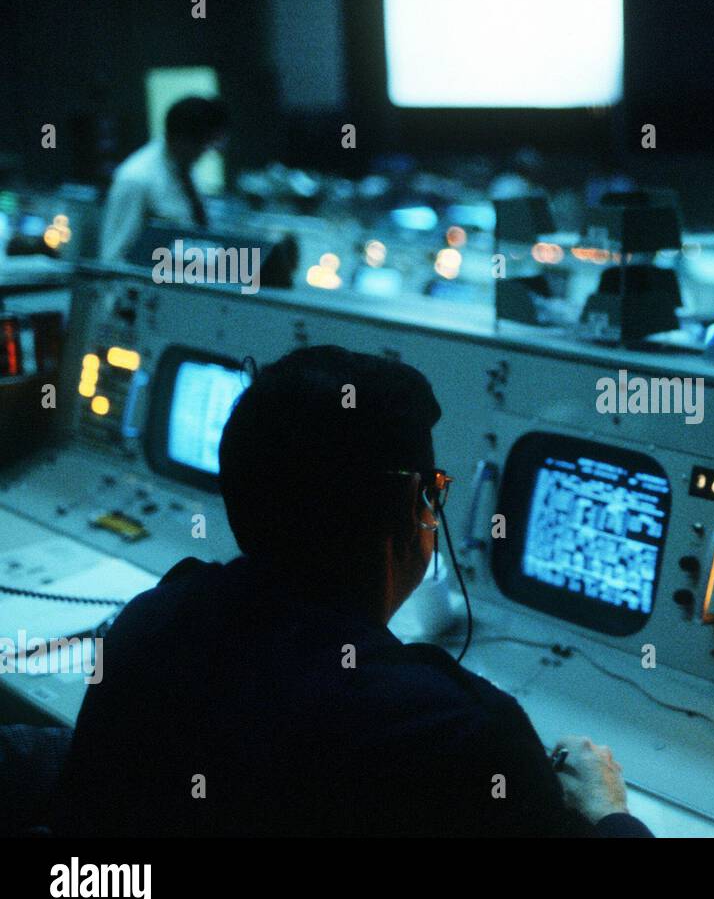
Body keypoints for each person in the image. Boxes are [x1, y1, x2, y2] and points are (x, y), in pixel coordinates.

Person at [54, 346, 651, 837]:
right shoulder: (463, 732)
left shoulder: (148, 623)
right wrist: (609, 812)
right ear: (414, 506)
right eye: (434, 490)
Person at [98, 96, 229, 263]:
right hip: (148, 284)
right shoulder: (137, 178)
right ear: (179, 139)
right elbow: (113, 257)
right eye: (202, 147)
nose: (203, 154)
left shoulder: (184, 167)